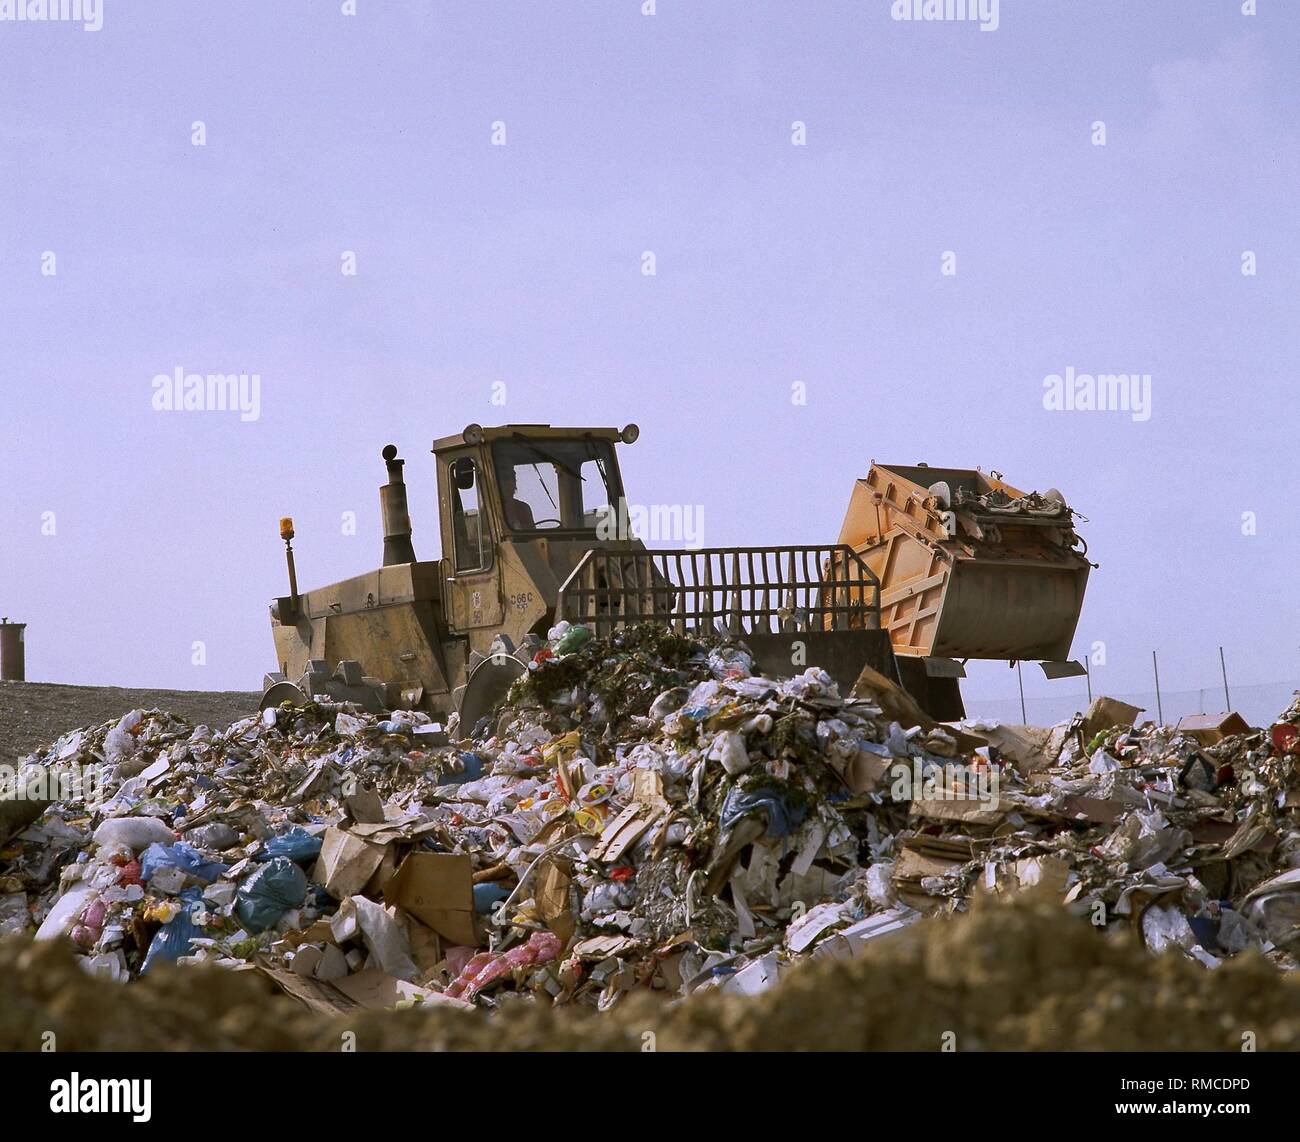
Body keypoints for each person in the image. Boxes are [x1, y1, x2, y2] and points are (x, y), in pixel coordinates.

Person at [498, 466, 536, 530]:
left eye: (512, 479)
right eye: (505, 480)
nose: (509, 484)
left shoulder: (523, 508)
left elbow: (533, 534)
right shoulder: (490, 511)